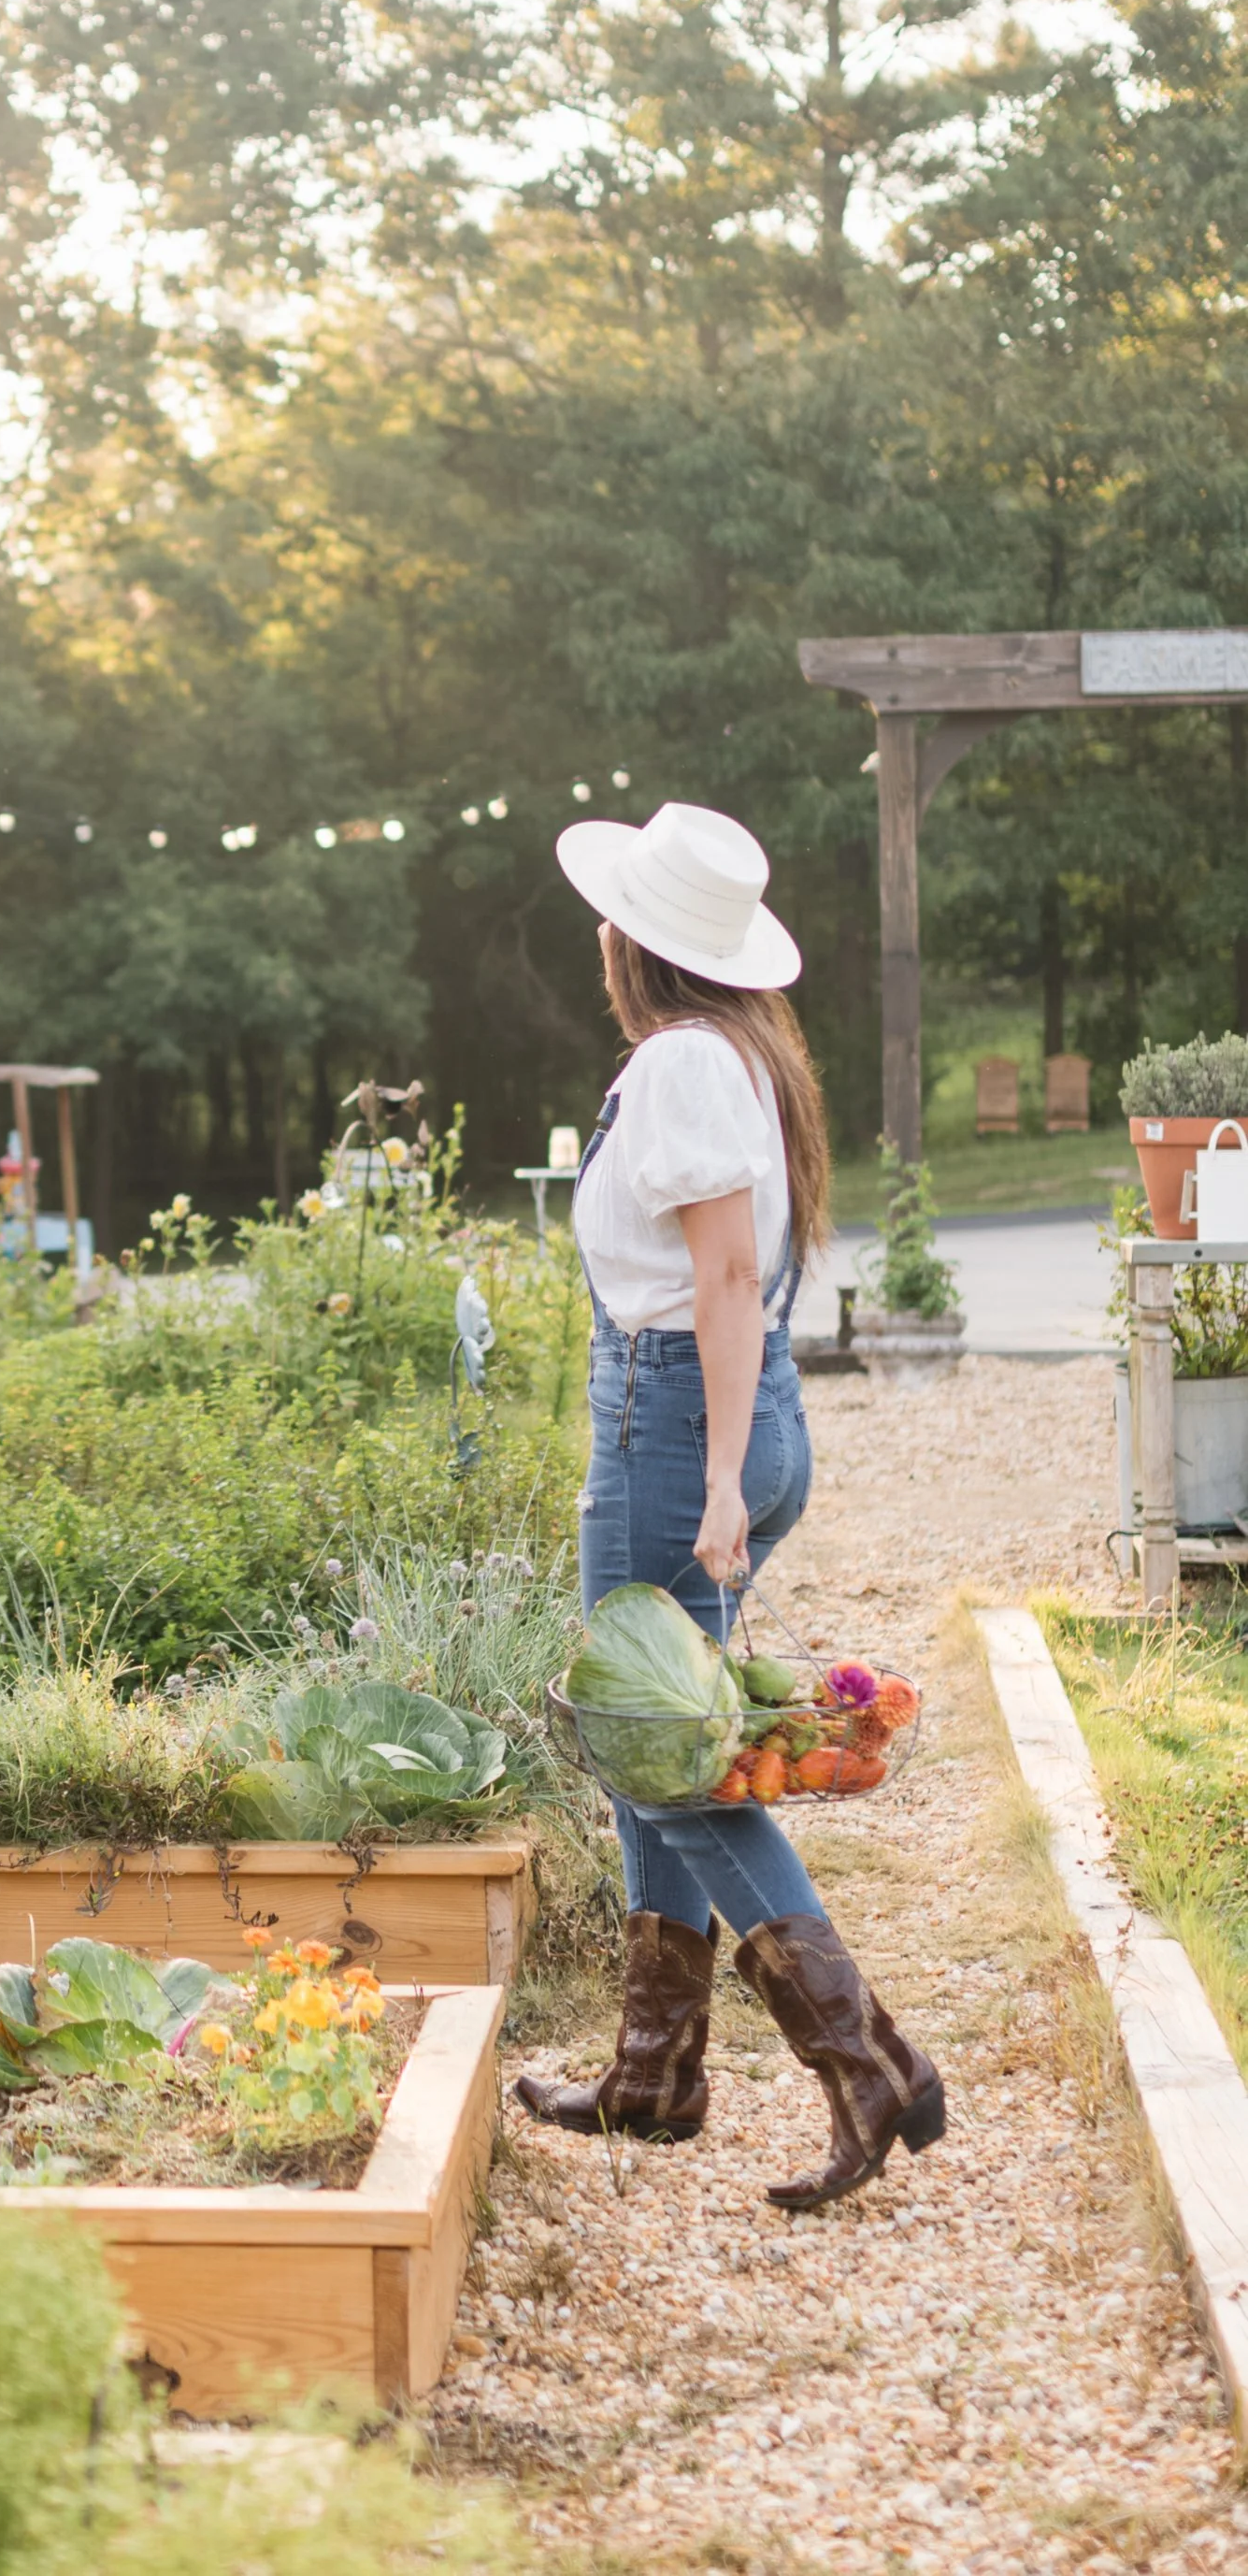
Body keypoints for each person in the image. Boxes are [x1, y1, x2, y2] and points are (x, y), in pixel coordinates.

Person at [514, 800, 944, 2210]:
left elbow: (716, 1281)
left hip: (676, 1419)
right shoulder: (736, 1055)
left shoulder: (688, 1063)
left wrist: (708, 1486)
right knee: (660, 1738)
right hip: (704, 1413)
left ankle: (866, 2060)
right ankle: (653, 2075)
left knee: (660, 1745)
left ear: (635, 941)